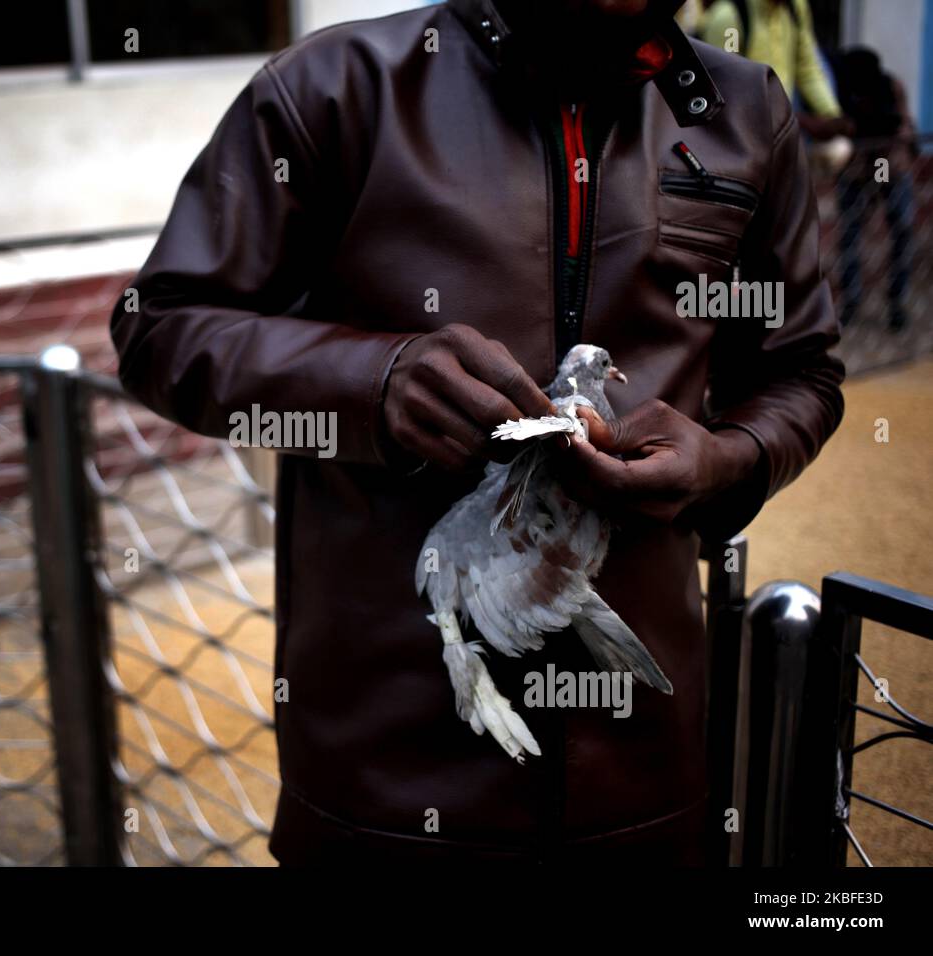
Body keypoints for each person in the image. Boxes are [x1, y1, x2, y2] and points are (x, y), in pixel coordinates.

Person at [111, 0, 844, 864]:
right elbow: (158, 326)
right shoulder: (334, 87)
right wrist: (373, 384)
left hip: (649, 778)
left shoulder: (744, 111)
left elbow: (802, 371)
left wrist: (731, 459)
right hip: (382, 784)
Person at [830, 46, 917, 331]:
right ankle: (851, 301)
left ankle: (896, 302)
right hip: (857, 170)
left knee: (902, 231)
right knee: (850, 235)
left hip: (889, 166)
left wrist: (895, 143)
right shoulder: (843, 93)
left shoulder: (891, 87)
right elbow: (838, 132)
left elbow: (905, 127)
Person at [699, 0, 851, 140]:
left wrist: (832, 116)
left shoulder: (795, 6)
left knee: (838, 147)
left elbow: (807, 68)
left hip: (785, 120)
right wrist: (799, 121)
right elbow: (728, 93)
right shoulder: (728, 17)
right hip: (744, 131)